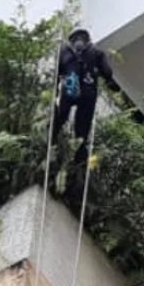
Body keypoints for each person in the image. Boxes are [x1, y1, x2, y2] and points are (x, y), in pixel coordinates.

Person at [53, 27, 120, 188]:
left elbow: (55, 75)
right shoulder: (96, 53)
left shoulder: (64, 53)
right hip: (87, 94)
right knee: (81, 133)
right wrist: (110, 84)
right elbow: (108, 73)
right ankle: (79, 166)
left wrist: (55, 88)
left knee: (59, 121)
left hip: (70, 91)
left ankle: (54, 146)